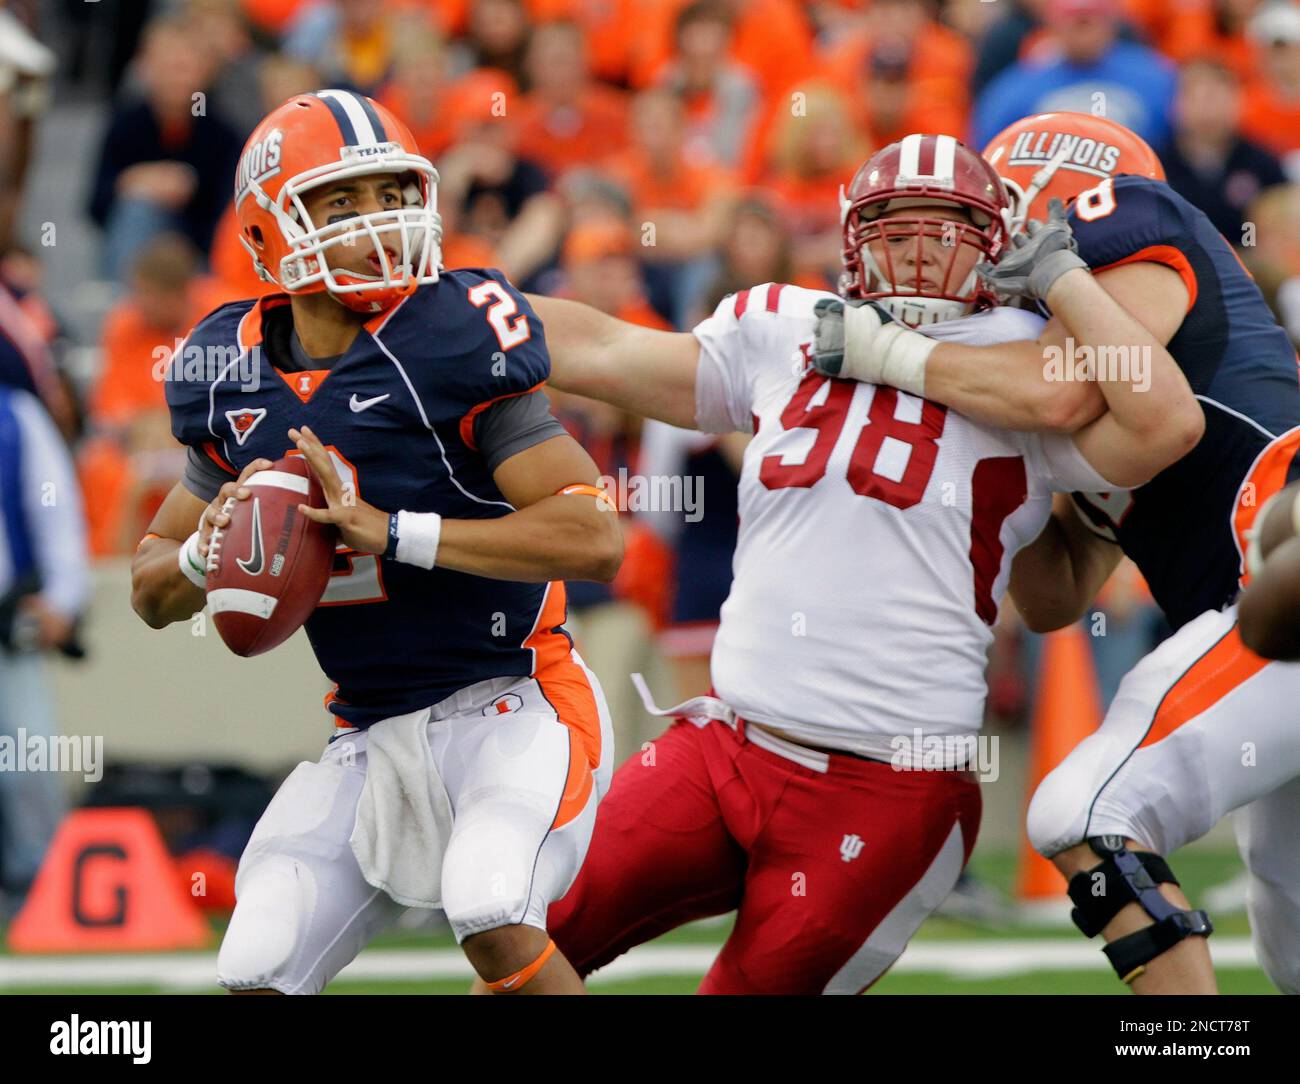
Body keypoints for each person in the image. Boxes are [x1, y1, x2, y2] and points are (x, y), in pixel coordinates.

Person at [513, 133, 1197, 994]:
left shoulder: (1036, 355)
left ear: (994, 240)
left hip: (890, 783)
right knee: (521, 938)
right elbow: (610, 349)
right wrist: (465, 313)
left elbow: (1159, 429)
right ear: (851, 239)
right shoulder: (786, 325)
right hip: (728, 742)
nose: (915, 249)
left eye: (943, 227)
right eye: (893, 227)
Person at [129, 90, 623, 995]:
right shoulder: (226, 366)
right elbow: (151, 584)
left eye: (392, 194)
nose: (379, 224)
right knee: (257, 960)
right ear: (266, 234)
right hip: (365, 728)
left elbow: (593, 535)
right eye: (343, 204)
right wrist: (205, 553)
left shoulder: (450, 331)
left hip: (516, 700)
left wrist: (395, 533)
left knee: (490, 905)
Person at [816, 112, 1300, 994]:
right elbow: (1052, 596)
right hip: (1257, 628)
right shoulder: (1034, 362)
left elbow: (1066, 389)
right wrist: (995, 468)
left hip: (1280, 567)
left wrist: (891, 353)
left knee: (1086, 809)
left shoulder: (1124, 215)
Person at [0, 384, 89, 914]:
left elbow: (55, 502)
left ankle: (40, 887)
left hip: (9, 624)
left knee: (27, 759)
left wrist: (62, 598)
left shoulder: (15, 413)